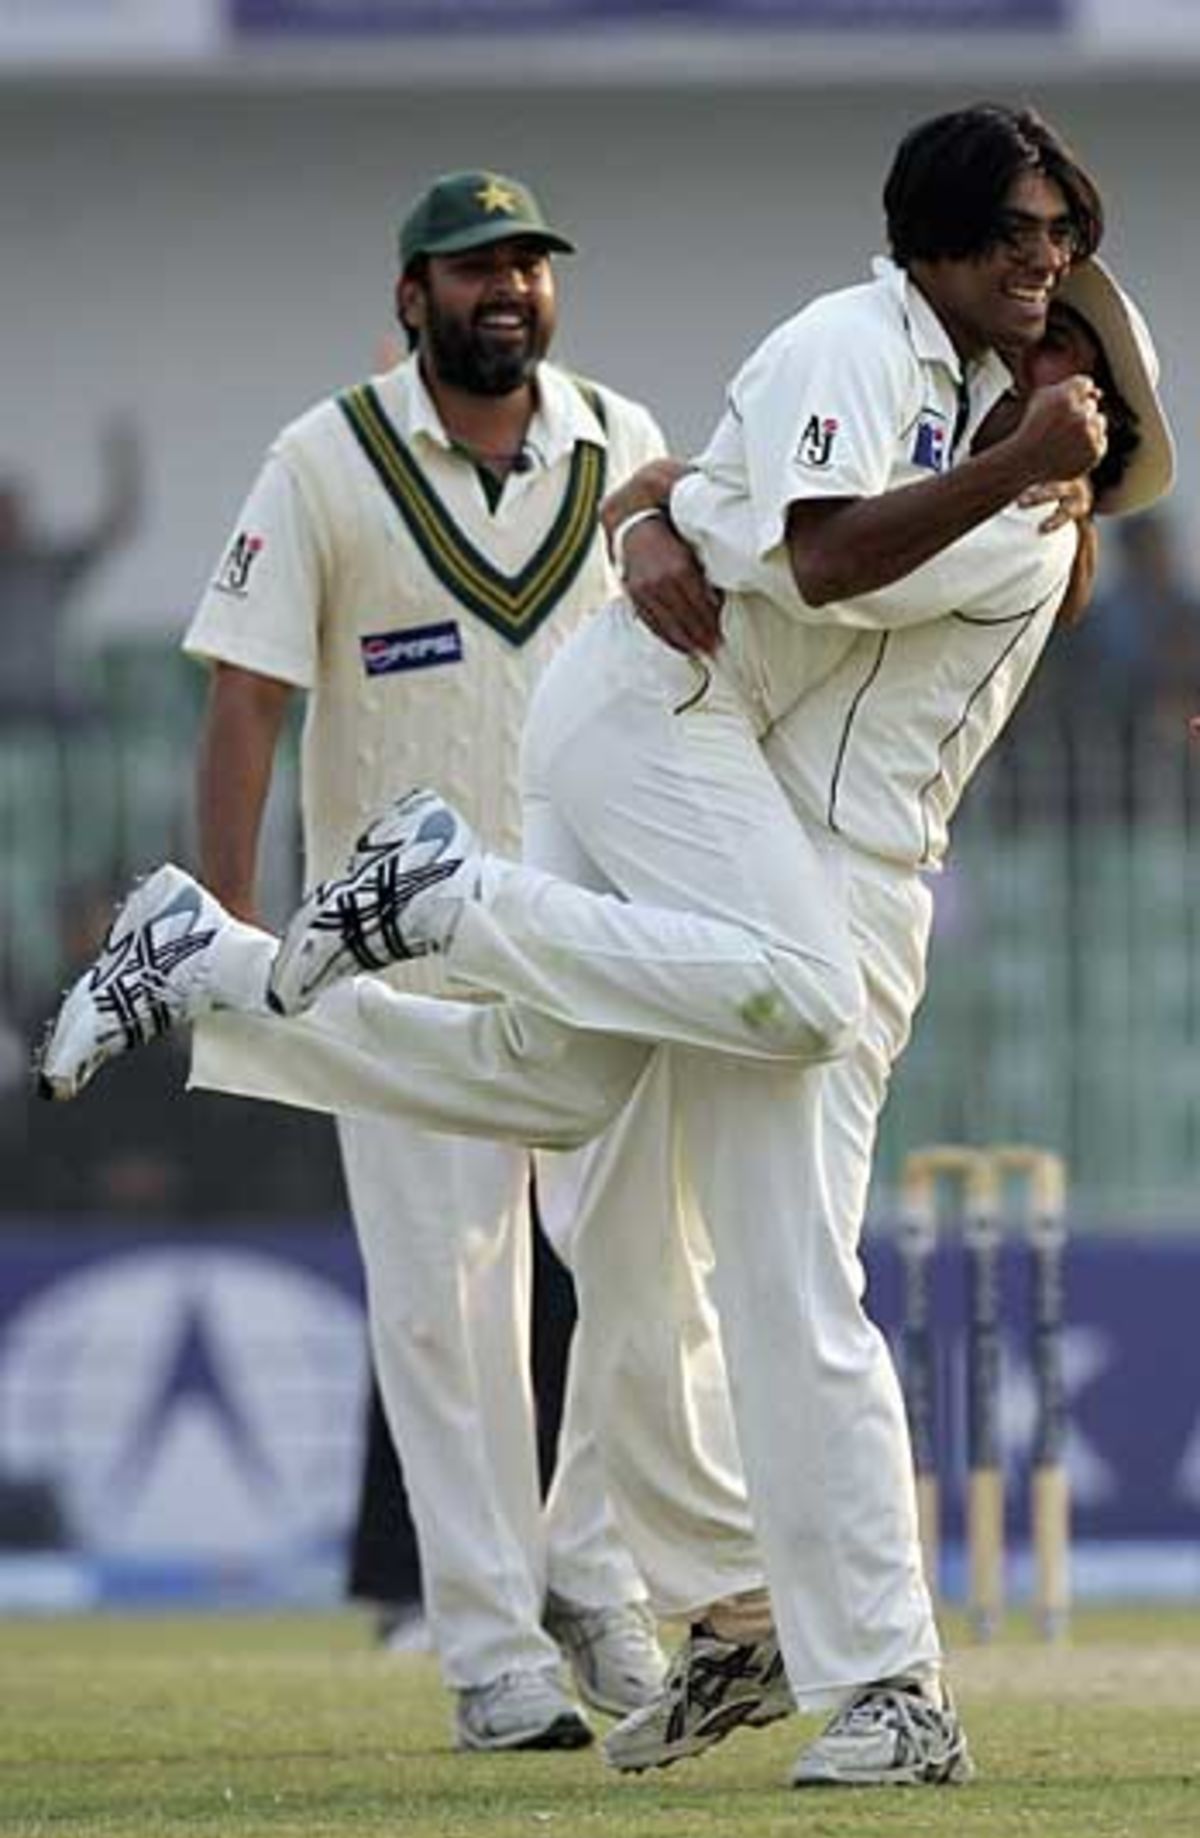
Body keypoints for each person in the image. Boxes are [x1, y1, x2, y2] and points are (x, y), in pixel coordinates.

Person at [37, 107, 1174, 1791]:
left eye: (1072, 317)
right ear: (942, 245)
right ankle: (881, 1676)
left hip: (792, 841)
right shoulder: (900, 386)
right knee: (765, 1219)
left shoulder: (1027, 527)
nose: (1046, 297)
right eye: (1027, 258)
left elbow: (784, 530)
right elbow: (808, 539)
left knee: (586, 1142)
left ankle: (212, 965)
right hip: (708, 797)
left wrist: (666, 508)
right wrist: (673, 516)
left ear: (1110, 428)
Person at [178, 169, 669, 1752]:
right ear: (412, 298)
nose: (505, 290)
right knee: (447, 1310)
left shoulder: (623, 443)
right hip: (395, 972)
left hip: (592, 945)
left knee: (642, 1284)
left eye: (527, 264)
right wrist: (231, 928)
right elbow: (246, 695)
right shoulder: (322, 458)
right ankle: (493, 1650)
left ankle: (595, 1575)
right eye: (472, 269)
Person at [0, 416, 142, 721]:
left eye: (12, 513)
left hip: (47, 698)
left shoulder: (45, 566)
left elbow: (113, 530)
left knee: (103, 718)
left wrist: (125, 468)